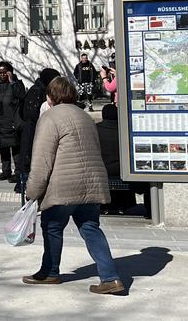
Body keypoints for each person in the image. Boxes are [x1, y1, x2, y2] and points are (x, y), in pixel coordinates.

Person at [23, 77, 124, 295]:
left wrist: (32, 192)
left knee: (52, 227)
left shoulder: (50, 118)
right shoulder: (85, 116)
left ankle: (50, 272)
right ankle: (111, 277)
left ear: (50, 97)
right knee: (90, 228)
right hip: (91, 184)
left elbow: (42, 160)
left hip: (64, 185)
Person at [15, 68, 60, 195]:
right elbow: (31, 114)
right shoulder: (38, 91)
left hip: (34, 129)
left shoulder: (41, 89)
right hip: (32, 130)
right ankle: (23, 184)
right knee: (29, 157)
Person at [0, 61, 26, 182]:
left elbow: (21, 96)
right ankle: (6, 171)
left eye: (5, 72)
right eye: (0, 73)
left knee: (15, 148)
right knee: (3, 148)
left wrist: (12, 81)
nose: (2, 75)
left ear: (10, 72)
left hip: (11, 121)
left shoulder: (16, 84)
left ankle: (18, 173)